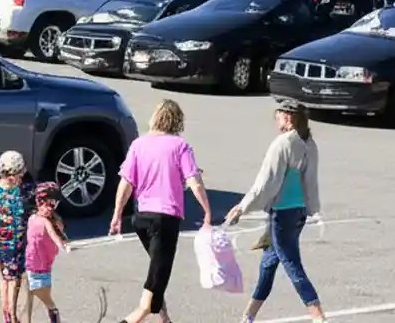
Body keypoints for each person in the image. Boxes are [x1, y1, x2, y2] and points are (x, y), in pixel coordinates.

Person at [109, 100, 213, 323]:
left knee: (158, 272)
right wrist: (206, 210)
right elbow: (194, 181)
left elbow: (125, 183)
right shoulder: (180, 146)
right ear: (177, 121)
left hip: (142, 218)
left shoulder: (138, 145)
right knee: (152, 289)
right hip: (165, 220)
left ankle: (165, 319)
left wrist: (117, 214)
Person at [225, 100, 327, 323]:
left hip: (282, 213)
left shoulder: (283, 144)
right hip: (298, 213)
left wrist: (243, 207)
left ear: (288, 118)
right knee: (269, 263)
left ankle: (318, 315)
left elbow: (266, 183)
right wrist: (311, 208)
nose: (276, 120)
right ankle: (249, 315)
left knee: (292, 264)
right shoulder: (309, 144)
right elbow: (310, 183)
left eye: (278, 115)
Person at [0, 151, 36, 323]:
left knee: (3, 281)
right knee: (13, 282)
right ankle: (12, 315)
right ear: (11, 175)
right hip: (13, 246)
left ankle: (7, 315)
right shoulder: (21, 190)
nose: (22, 177)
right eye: (20, 174)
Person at [22, 182, 71, 323]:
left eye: (52, 205)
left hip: (41, 269)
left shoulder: (49, 222)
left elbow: (56, 237)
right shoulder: (33, 218)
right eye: (47, 204)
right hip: (30, 266)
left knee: (45, 300)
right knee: (28, 301)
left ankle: (55, 317)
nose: (49, 208)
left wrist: (63, 246)